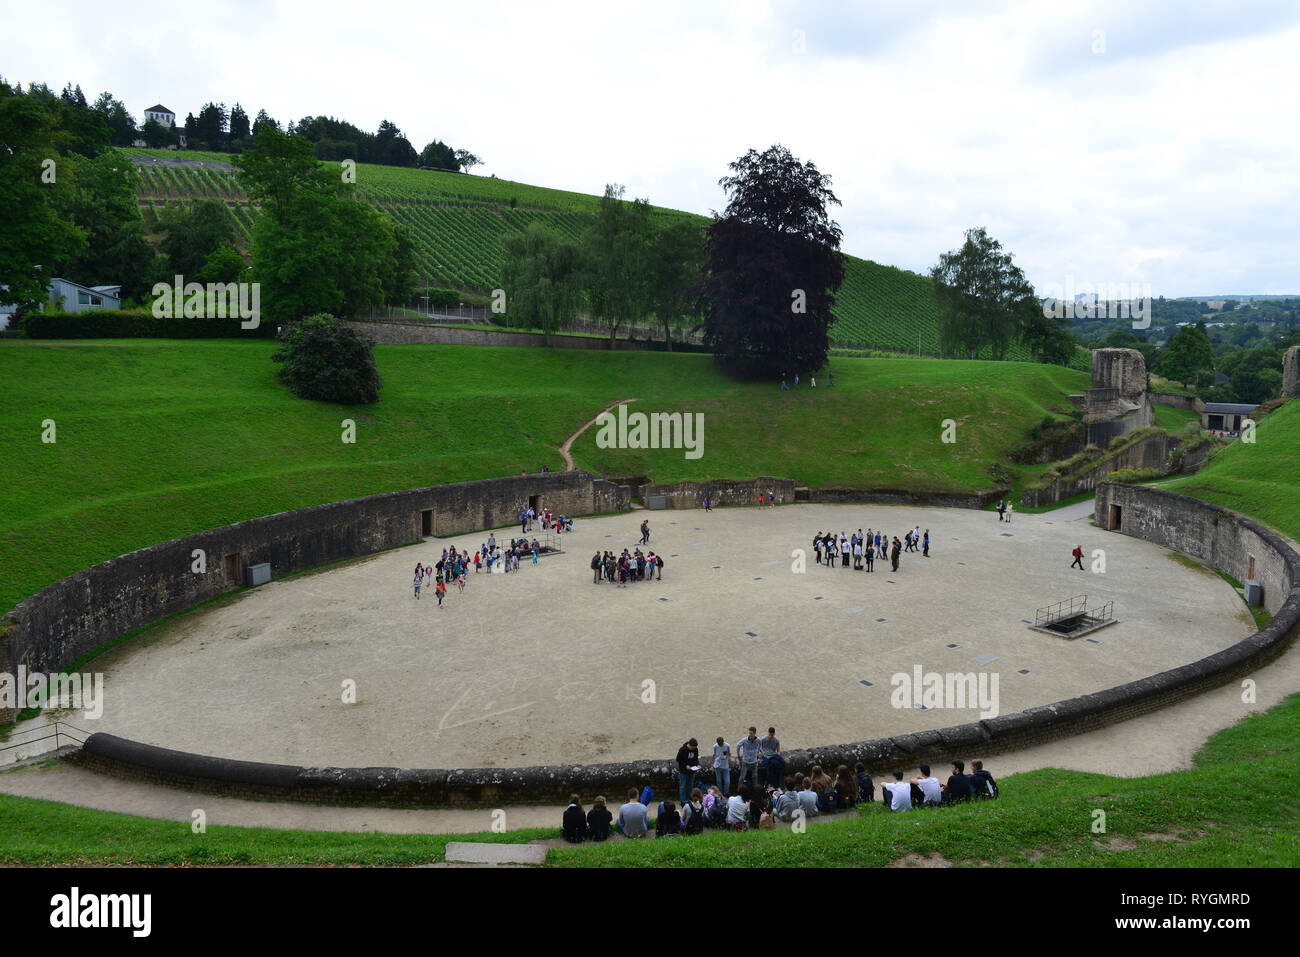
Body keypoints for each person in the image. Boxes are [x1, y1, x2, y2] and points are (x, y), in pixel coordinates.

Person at [676, 738, 700, 805]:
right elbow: (678, 759)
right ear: (690, 745)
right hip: (683, 772)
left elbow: (696, 758)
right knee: (682, 786)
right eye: (693, 747)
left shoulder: (695, 749)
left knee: (691, 786)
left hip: (692, 771)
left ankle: (690, 799)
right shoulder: (682, 750)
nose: (694, 749)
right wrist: (685, 766)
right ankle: (683, 801)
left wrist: (698, 765)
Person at [737, 727, 762, 791]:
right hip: (745, 761)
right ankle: (739, 790)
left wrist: (757, 751)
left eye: (751, 733)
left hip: (754, 761)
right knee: (742, 777)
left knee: (755, 776)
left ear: (755, 733)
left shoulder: (758, 740)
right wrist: (738, 755)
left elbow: (760, 744)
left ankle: (755, 791)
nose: (750, 735)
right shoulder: (745, 740)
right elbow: (738, 745)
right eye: (749, 733)